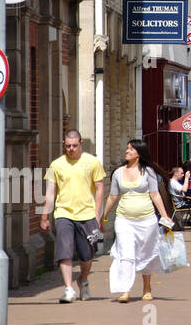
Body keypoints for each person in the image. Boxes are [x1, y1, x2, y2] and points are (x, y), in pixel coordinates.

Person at [100, 140, 174, 303]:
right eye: (127, 148)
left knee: (146, 253)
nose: (127, 151)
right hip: (124, 220)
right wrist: (103, 216)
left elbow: (155, 194)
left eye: (131, 149)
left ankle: (147, 287)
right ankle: (125, 289)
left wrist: (164, 215)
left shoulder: (148, 172)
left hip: (146, 220)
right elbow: (113, 196)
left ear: (139, 153)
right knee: (126, 254)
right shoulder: (118, 173)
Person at [40, 130, 106, 303]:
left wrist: (97, 214)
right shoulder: (56, 165)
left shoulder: (92, 162)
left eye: (74, 145)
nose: (71, 149)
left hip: (87, 214)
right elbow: (50, 192)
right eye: (68, 145)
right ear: (64, 144)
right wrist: (44, 216)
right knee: (65, 251)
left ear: (81, 143)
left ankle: (83, 280)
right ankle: (68, 289)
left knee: (87, 255)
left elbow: (100, 188)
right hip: (64, 213)